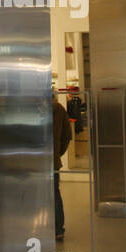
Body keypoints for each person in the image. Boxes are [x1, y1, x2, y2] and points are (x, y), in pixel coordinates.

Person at [52, 92, 72, 240]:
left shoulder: (33, 108)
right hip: (53, 161)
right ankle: (58, 229)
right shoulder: (59, 110)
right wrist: (58, 153)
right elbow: (67, 135)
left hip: (34, 162)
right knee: (55, 194)